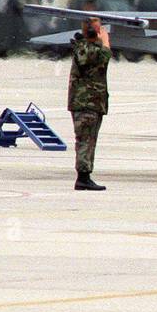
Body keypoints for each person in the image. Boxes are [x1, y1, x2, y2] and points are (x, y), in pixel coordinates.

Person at [68, 17, 110, 190]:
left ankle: (85, 176)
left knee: (88, 140)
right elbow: (104, 56)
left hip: (91, 102)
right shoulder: (86, 49)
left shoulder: (86, 47)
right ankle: (83, 178)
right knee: (86, 140)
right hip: (86, 102)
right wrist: (105, 41)